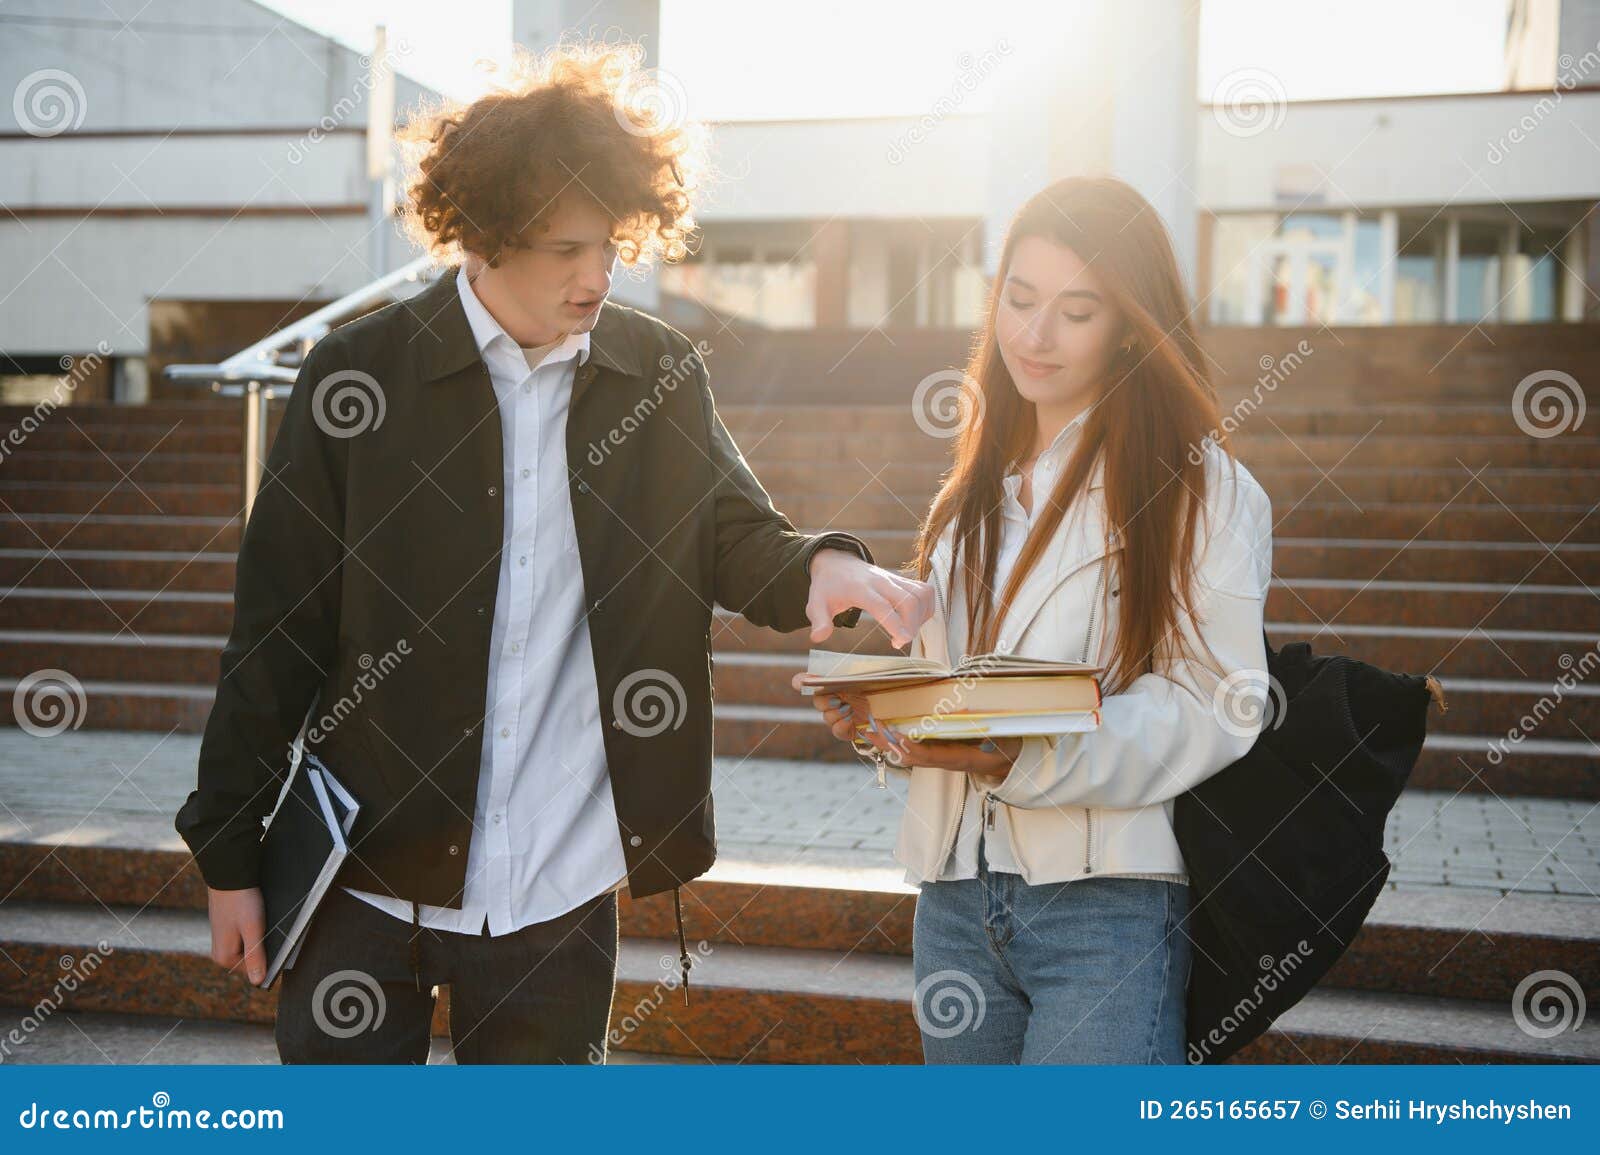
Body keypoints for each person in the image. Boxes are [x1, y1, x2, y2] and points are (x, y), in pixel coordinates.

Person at [175, 41, 934, 1064]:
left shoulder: (653, 369)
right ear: (480, 236)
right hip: (363, 872)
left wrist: (821, 568)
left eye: (613, 243)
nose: (600, 274)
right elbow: (276, 631)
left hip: (559, 891)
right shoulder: (361, 375)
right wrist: (228, 852)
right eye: (564, 248)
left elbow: (727, 530)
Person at [803, 176, 1274, 1064]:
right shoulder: (973, 489)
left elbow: (1221, 701)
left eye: (1076, 310)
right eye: (1018, 299)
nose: (1034, 334)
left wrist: (1030, 756)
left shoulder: (1201, 490)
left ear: (1132, 322)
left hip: (1104, 905)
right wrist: (889, 721)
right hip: (954, 901)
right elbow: (963, 696)